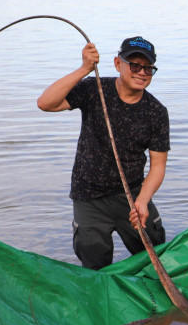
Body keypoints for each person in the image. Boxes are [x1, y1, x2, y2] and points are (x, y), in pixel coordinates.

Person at [37, 36, 170, 270]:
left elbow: (158, 166)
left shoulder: (156, 112)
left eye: (148, 68)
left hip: (132, 195)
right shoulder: (93, 88)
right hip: (89, 196)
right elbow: (45, 103)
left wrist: (142, 201)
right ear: (118, 64)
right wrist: (84, 69)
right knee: (94, 263)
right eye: (135, 65)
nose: (142, 72)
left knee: (156, 256)